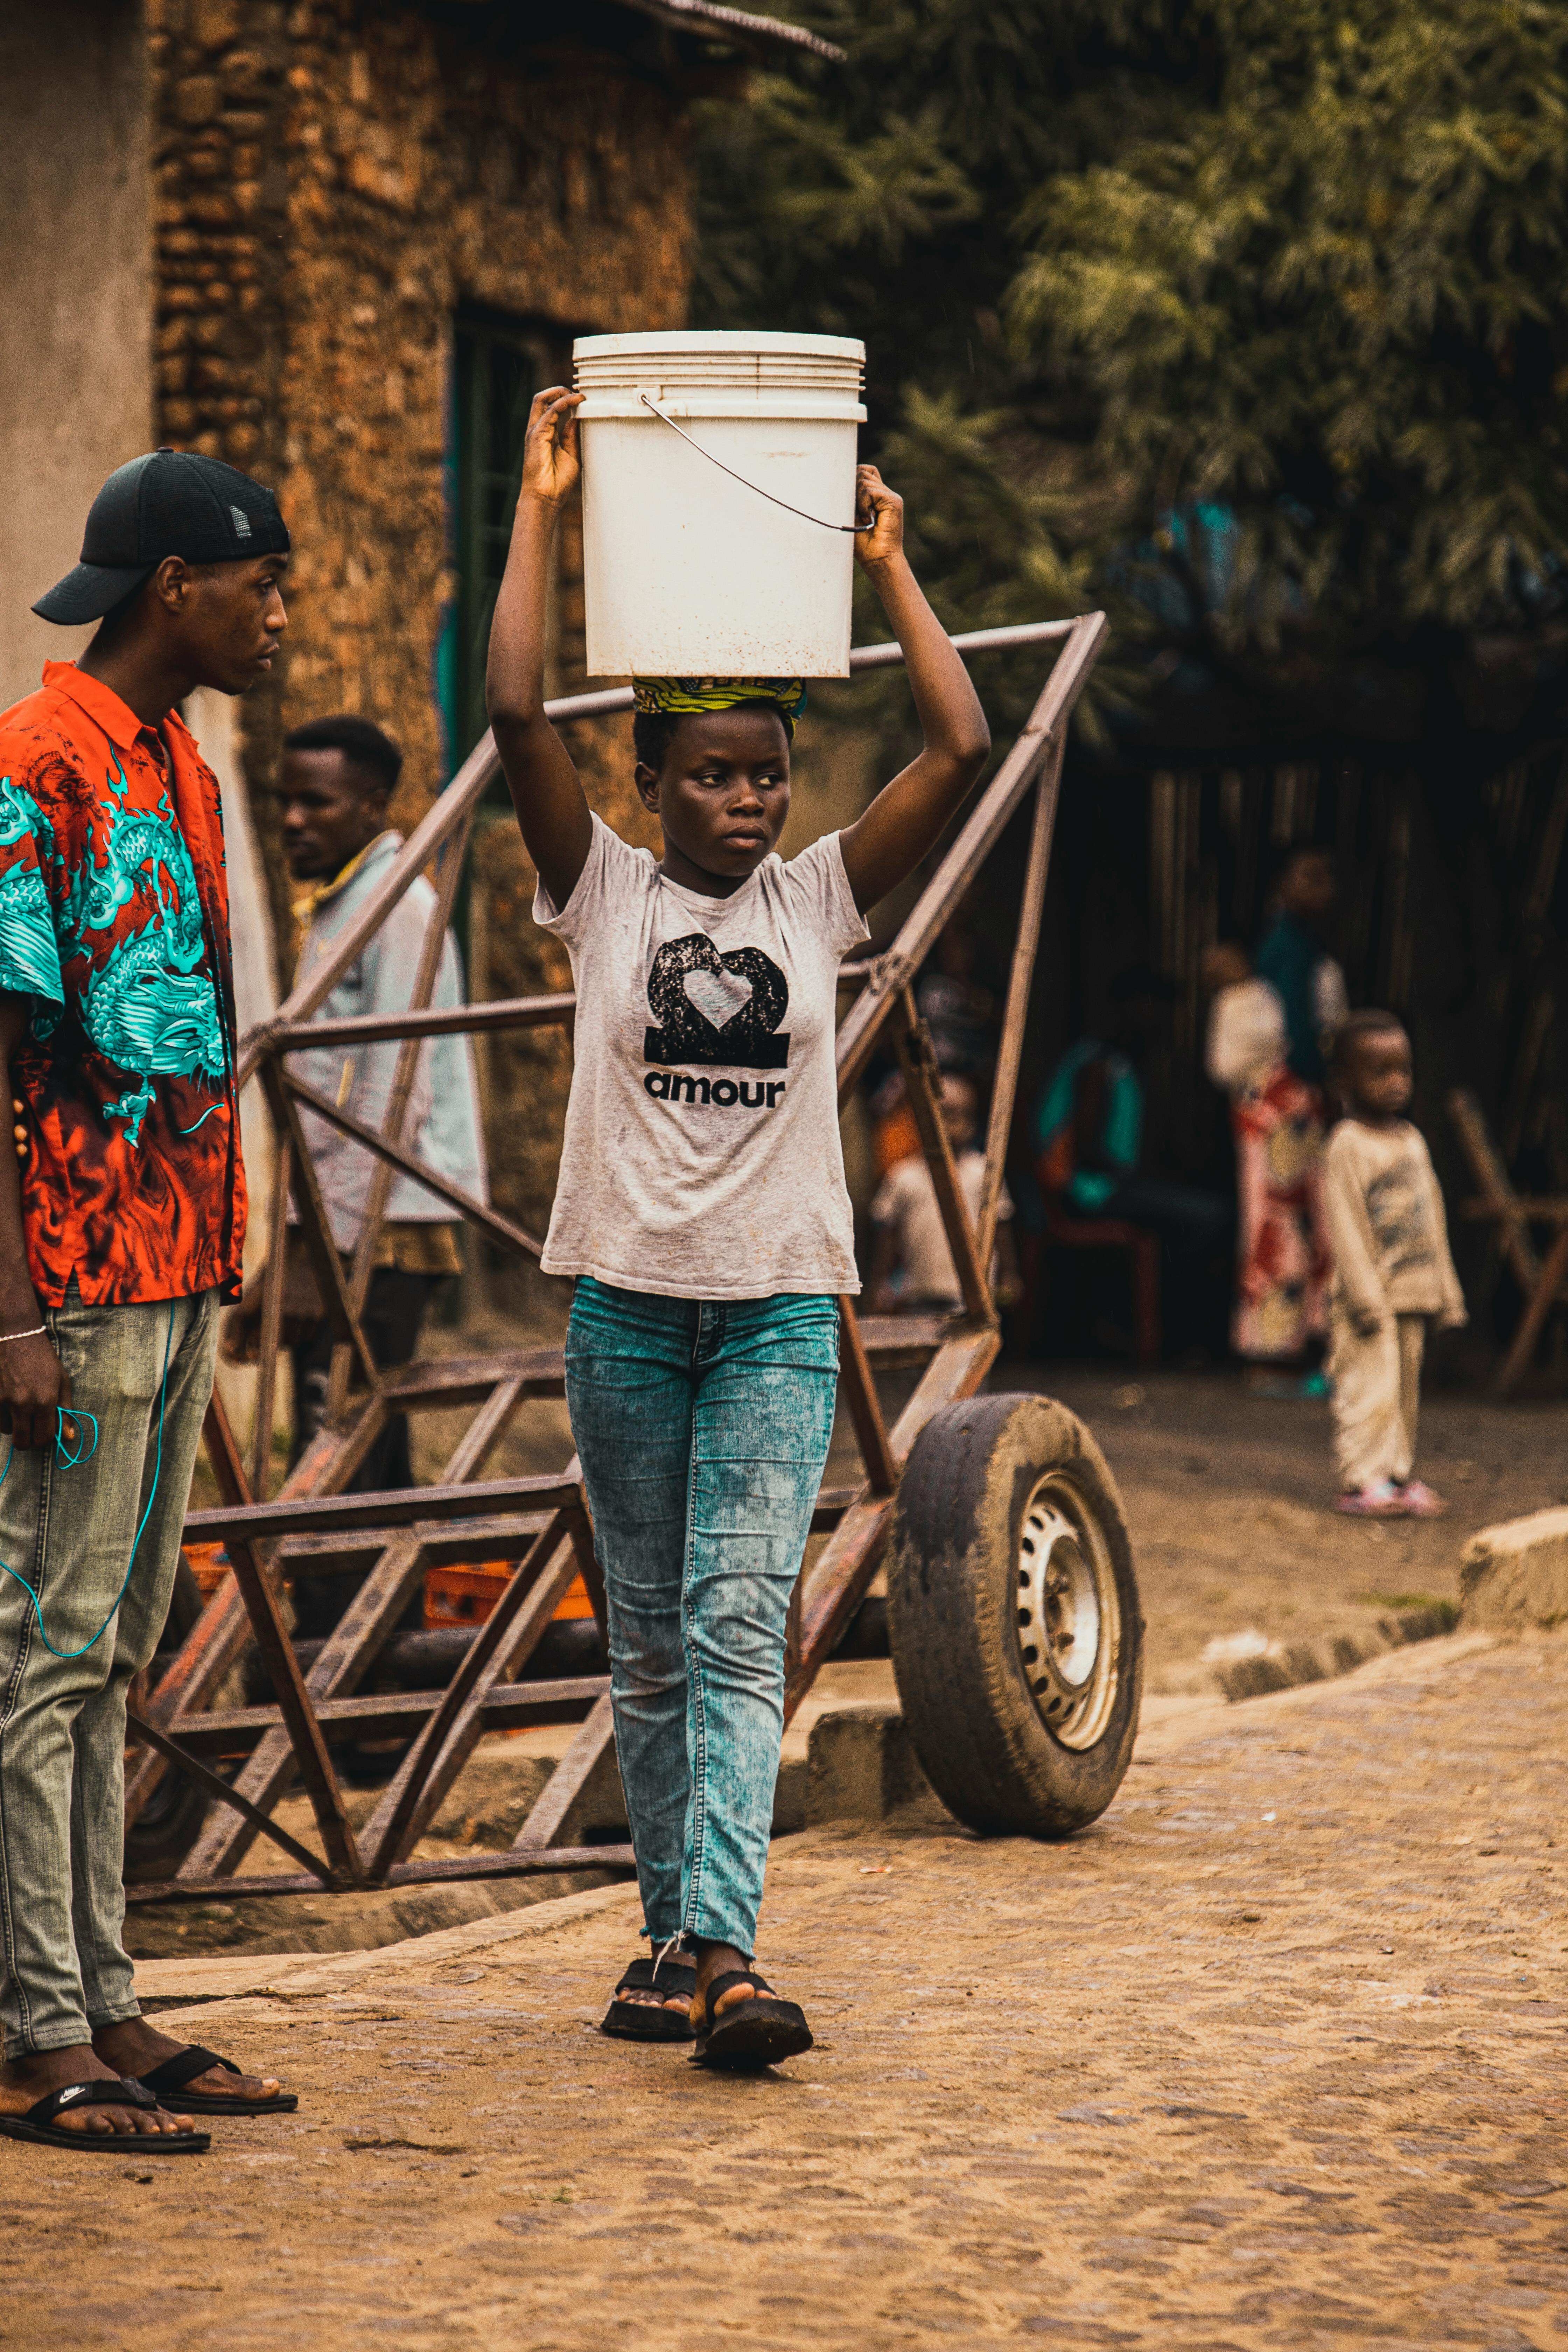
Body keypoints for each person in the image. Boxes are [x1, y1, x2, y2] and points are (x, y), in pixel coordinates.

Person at [486, 384, 990, 2066]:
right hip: (627, 1312)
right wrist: (543, 503)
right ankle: (663, 1949)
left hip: (777, 1306)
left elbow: (960, 749)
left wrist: (888, 565)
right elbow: (512, 714)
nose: (746, 801)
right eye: (711, 775)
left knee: (733, 1620)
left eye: (767, 776)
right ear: (653, 782)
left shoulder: (819, 900)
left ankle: (722, 1951)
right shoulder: (603, 890)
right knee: (642, 1644)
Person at [0, 447, 296, 2152]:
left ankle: (105, 2001)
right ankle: (41, 2033)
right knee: (44, 1654)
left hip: (180, 1275)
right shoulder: (37, 766)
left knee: (113, 1650)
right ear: (174, 584)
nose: (276, 614)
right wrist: (16, 1316)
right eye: (259, 582)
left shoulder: (178, 765)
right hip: (81, 1282)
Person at [223, 714, 487, 1638]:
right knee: (354, 1438)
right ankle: (358, 1649)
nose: (293, 819)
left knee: (346, 1438)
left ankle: (359, 1656)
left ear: (372, 807)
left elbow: (386, 1092)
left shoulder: (397, 908)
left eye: (316, 803)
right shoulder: (342, 901)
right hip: (340, 1220)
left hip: (385, 1218)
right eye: (284, 800)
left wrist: (307, 1248)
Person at [1036, 969, 1230, 1354]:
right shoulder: (1097, 1064)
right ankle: (1125, 1315)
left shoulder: (1118, 1063)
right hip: (1087, 1191)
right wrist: (1142, 1179)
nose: (1161, 1025)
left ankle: (1131, 1316)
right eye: (1155, 1012)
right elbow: (1088, 1150)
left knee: (1194, 1211)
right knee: (1210, 1217)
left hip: (1103, 1187)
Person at [1322, 1010, 1466, 1517]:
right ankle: (1363, 1479)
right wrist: (1364, 1299)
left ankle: (1398, 1474)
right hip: (1370, 1302)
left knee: (1404, 1392)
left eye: (1402, 1070)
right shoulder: (1347, 1145)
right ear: (1343, 1080)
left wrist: (1447, 1293)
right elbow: (1347, 1230)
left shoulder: (1412, 1141)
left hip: (1413, 1293)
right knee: (1368, 1391)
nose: (1395, 1082)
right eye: (1379, 1071)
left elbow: (1434, 1220)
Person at [1202, 941, 1331, 1390]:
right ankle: (1270, 1353)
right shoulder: (1241, 1001)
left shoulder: (1299, 976)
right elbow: (1225, 1067)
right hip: (1265, 1119)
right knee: (1270, 1229)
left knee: (1312, 1225)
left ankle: (1308, 1348)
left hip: (1297, 1118)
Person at [866, 1072, 1017, 1315]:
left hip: (973, 1295)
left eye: (960, 1116)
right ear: (923, 1119)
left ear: (973, 1122)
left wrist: (1009, 1273)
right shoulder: (903, 1176)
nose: (952, 1125)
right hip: (916, 1294)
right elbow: (887, 1234)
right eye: (943, 1115)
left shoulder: (985, 1174)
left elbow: (1001, 1226)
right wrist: (879, 1283)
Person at [1255, 846, 1348, 1088]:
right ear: (1283, 884)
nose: (1326, 886)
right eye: (1313, 878)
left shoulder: (1301, 938)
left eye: (1329, 876)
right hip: (1292, 1086)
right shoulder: (1290, 945)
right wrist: (1318, 1076)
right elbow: (1296, 1022)